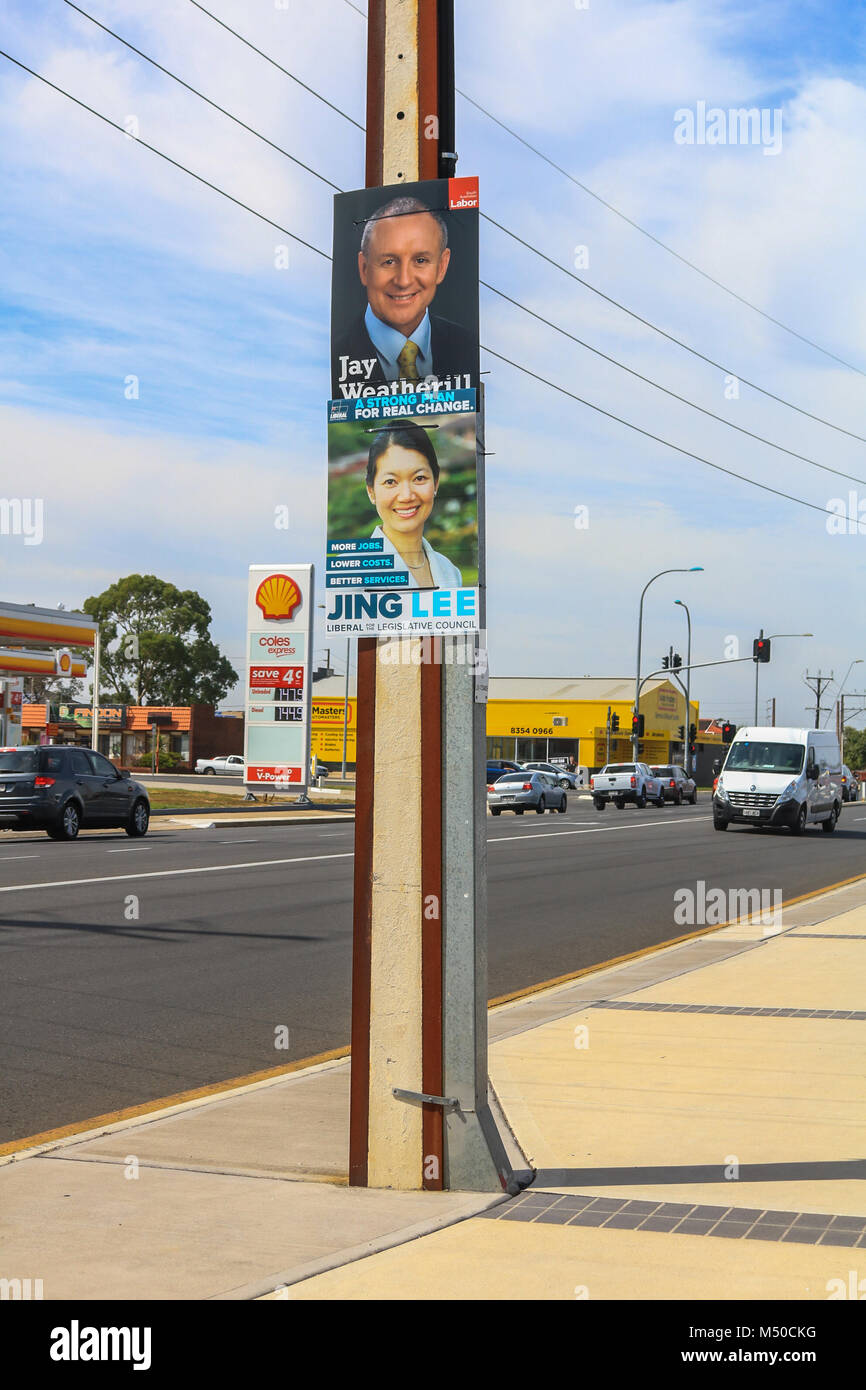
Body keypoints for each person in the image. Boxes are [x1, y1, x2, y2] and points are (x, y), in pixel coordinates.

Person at [333, 196, 476, 391]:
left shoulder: (466, 348)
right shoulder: (337, 355)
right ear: (364, 268)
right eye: (389, 261)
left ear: (442, 266)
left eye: (420, 260)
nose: (404, 281)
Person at [365, 424, 462, 588]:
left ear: (436, 483)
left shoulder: (451, 572)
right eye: (390, 482)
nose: (406, 496)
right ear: (371, 491)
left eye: (419, 478)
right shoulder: (351, 573)